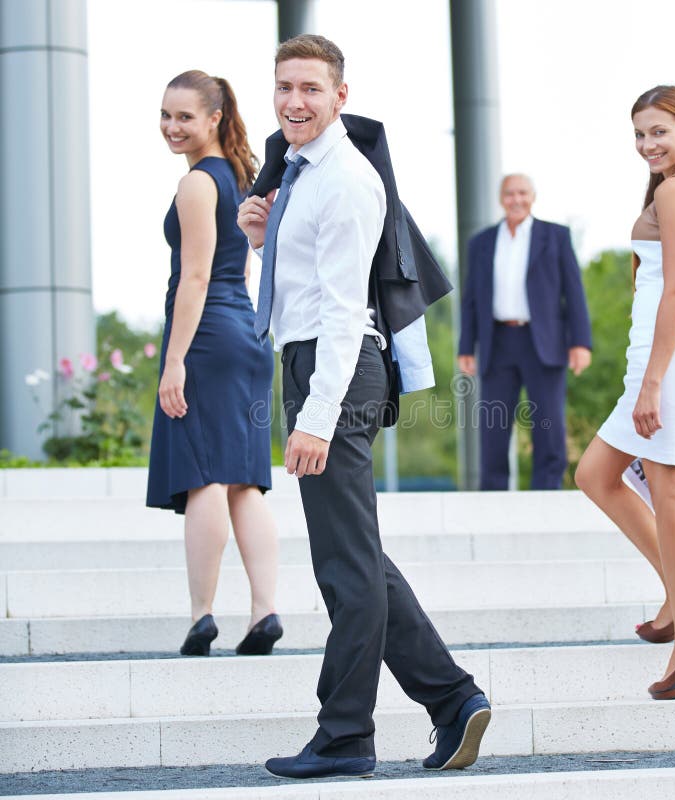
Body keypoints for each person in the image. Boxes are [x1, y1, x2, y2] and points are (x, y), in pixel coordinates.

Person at [237, 35, 490, 780]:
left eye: (311, 88)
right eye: (284, 87)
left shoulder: (345, 178)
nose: (294, 102)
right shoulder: (304, 174)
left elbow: (347, 312)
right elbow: (308, 288)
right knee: (358, 558)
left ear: (340, 95)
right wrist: (263, 237)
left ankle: (346, 734)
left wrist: (315, 418)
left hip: (335, 372)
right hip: (315, 361)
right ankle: (453, 700)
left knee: (346, 566)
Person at [575, 85, 675, 700]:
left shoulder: (674, 190)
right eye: (639, 134)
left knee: (669, 491)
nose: (648, 145)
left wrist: (656, 380)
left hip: (670, 355)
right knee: (596, 474)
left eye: (659, 131)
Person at [146, 70, 282, 658]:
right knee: (243, 482)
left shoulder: (199, 185)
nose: (173, 127)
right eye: (166, 115)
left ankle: (203, 615)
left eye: (185, 117)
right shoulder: (240, 177)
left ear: (214, 119)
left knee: (203, 476)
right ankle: (265, 611)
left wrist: (174, 360)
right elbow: (245, 265)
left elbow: (195, 278)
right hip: (244, 332)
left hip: (206, 339)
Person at [458, 174, 592, 490]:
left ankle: (546, 493)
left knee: (548, 424)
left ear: (533, 197)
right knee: (493, 426)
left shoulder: (555, 236)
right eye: (509, 194)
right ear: (500, 199)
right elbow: (471, 298)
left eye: (522, 193)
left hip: (543, 342)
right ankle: (493, 494)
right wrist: (466, 346)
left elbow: (574, 292)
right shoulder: (482, 242)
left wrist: (580, 342)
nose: (516, 200)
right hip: (497, 342)